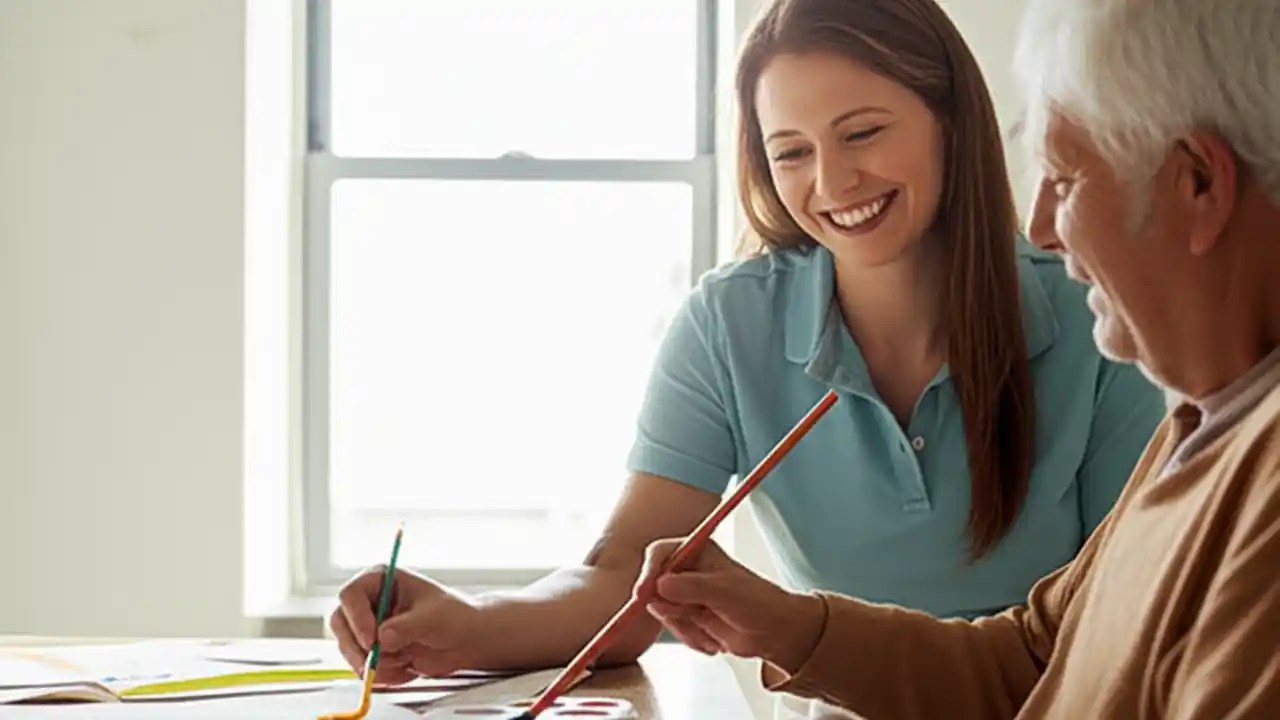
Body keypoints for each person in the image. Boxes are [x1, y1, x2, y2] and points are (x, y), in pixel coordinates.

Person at [328, 0, 1165, 684]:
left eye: (863, 133)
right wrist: (467, 624)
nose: (833, 184)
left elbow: (1120, 616)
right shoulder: (731, 323)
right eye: (791, 152)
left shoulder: (1097, 310)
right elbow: (624, 575)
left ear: (951, 118)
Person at [637, 0, 1280, 717]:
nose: (1041, 229)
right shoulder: (1201, 426)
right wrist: (791, 627)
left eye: (1065, 181)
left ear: (1197, 185)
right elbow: (1036, 655)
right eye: (792, 149)